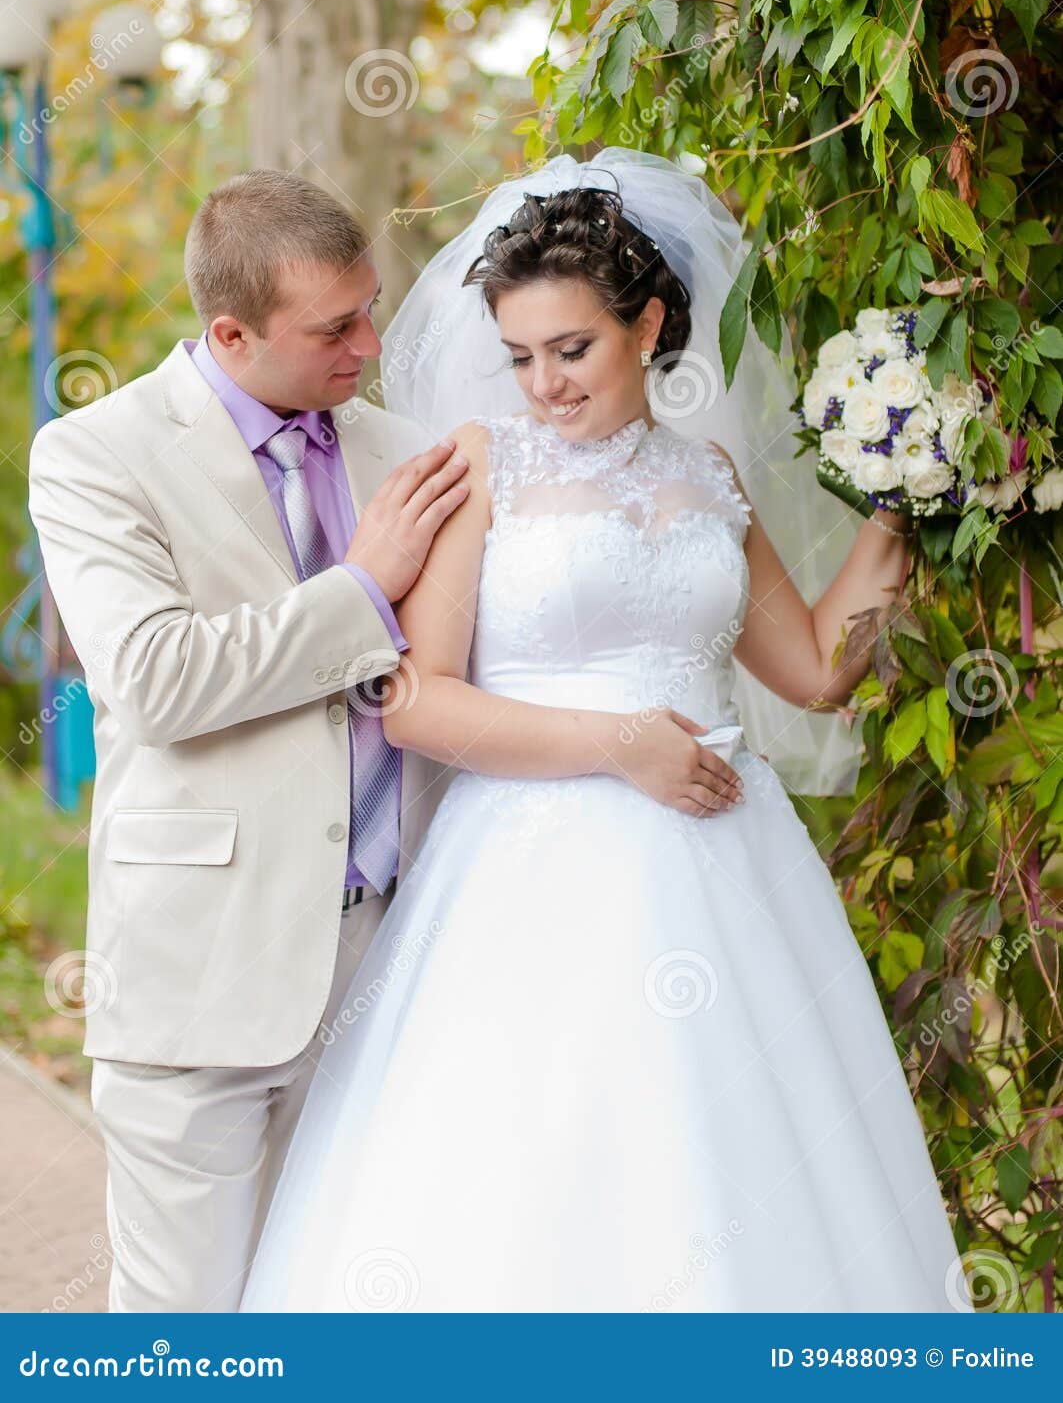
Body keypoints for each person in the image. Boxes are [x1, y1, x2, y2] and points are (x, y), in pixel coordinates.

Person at [241, 152, 975, 1313]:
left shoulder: (711, 475)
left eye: (569, 349)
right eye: (520, 356)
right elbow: (417, 700)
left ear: (646, 323)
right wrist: (619, 741)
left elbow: (818, 667)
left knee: (729, 1150)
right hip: (525, 870)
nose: (542, 385)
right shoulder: (482, 468)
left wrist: (904, 494)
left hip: (725, 862)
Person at [26, 169, 475, 1311]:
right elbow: (158, 679)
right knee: (186, 1337)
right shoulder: (95, 456)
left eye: (371, 308)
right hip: (205, 979)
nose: (370, 345)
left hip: (392, 967)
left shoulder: (405, 453)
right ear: (229, 331)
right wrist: (361, 587)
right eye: (336, 326)